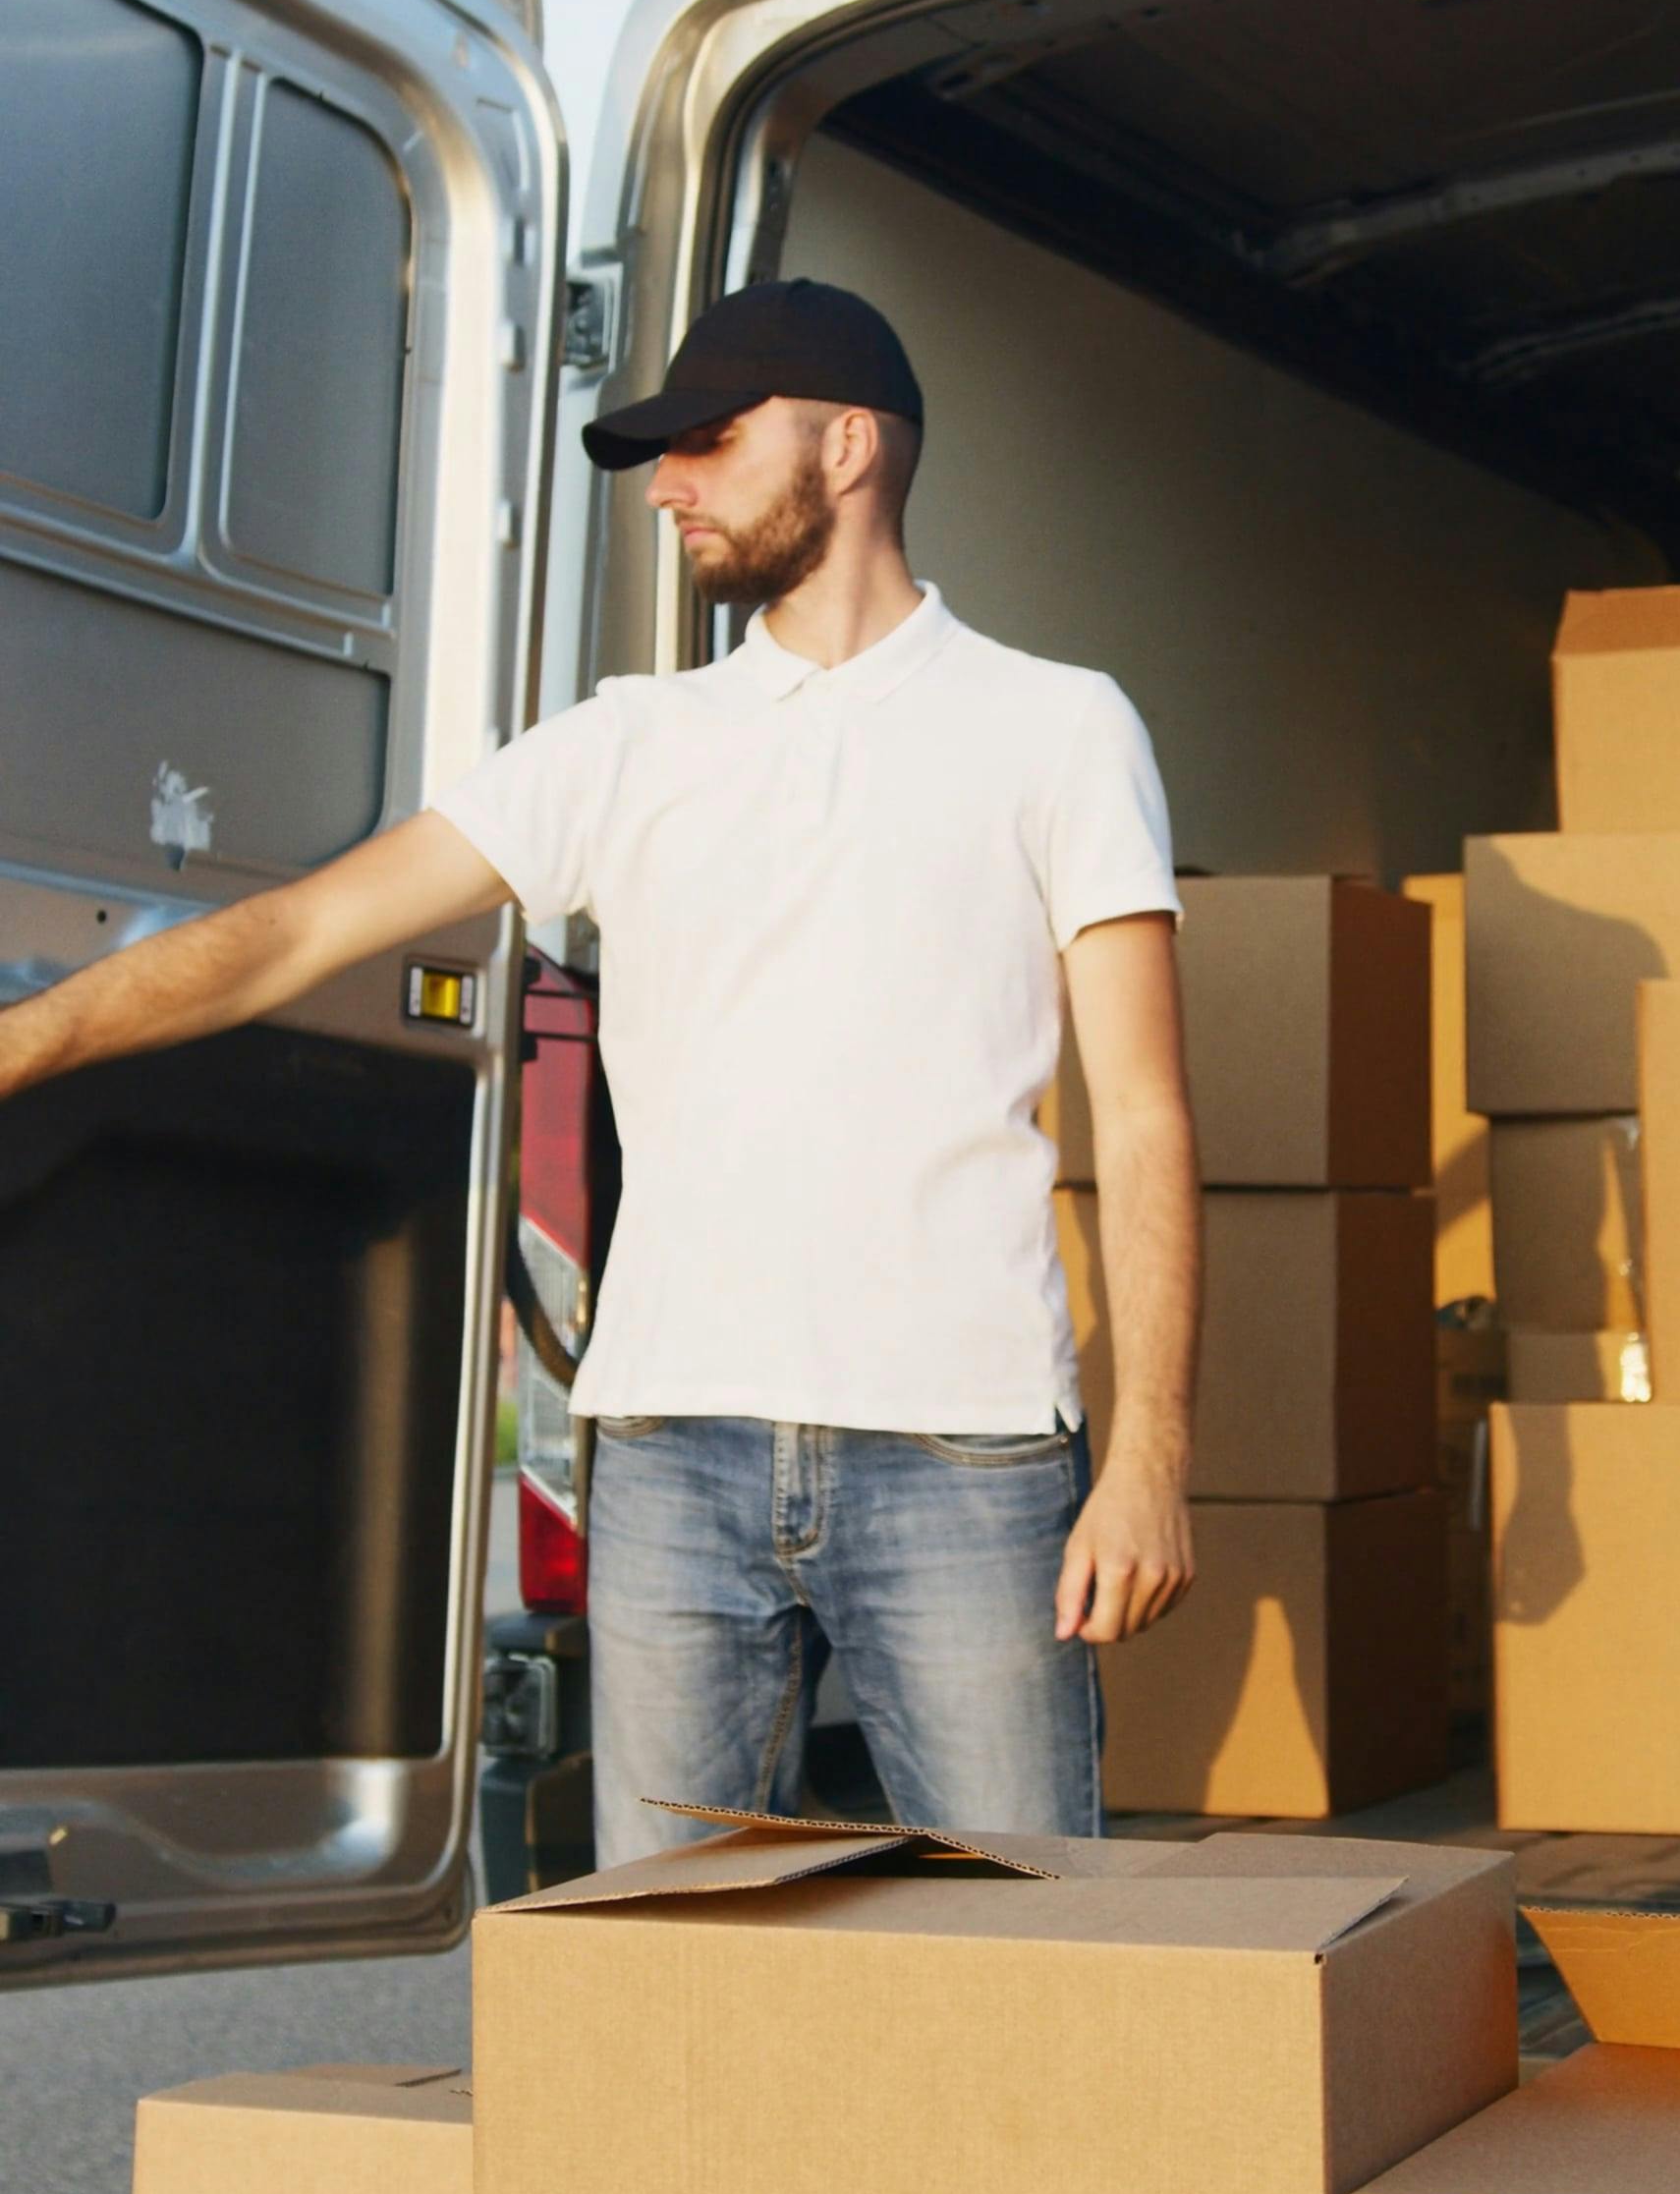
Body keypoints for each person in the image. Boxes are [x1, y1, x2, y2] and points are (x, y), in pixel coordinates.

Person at [0, 278, 1201, 1855]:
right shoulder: (626, 744)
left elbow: (1147, 1112)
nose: (667, 488)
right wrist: (30, 1036)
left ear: (848, 446)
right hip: (670, 1456)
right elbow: (298, 933)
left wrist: (1154, 1457)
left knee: (1042, 1960)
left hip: (964, 1459)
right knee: (667, 1991)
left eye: (707, 442)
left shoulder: (1058, 729)